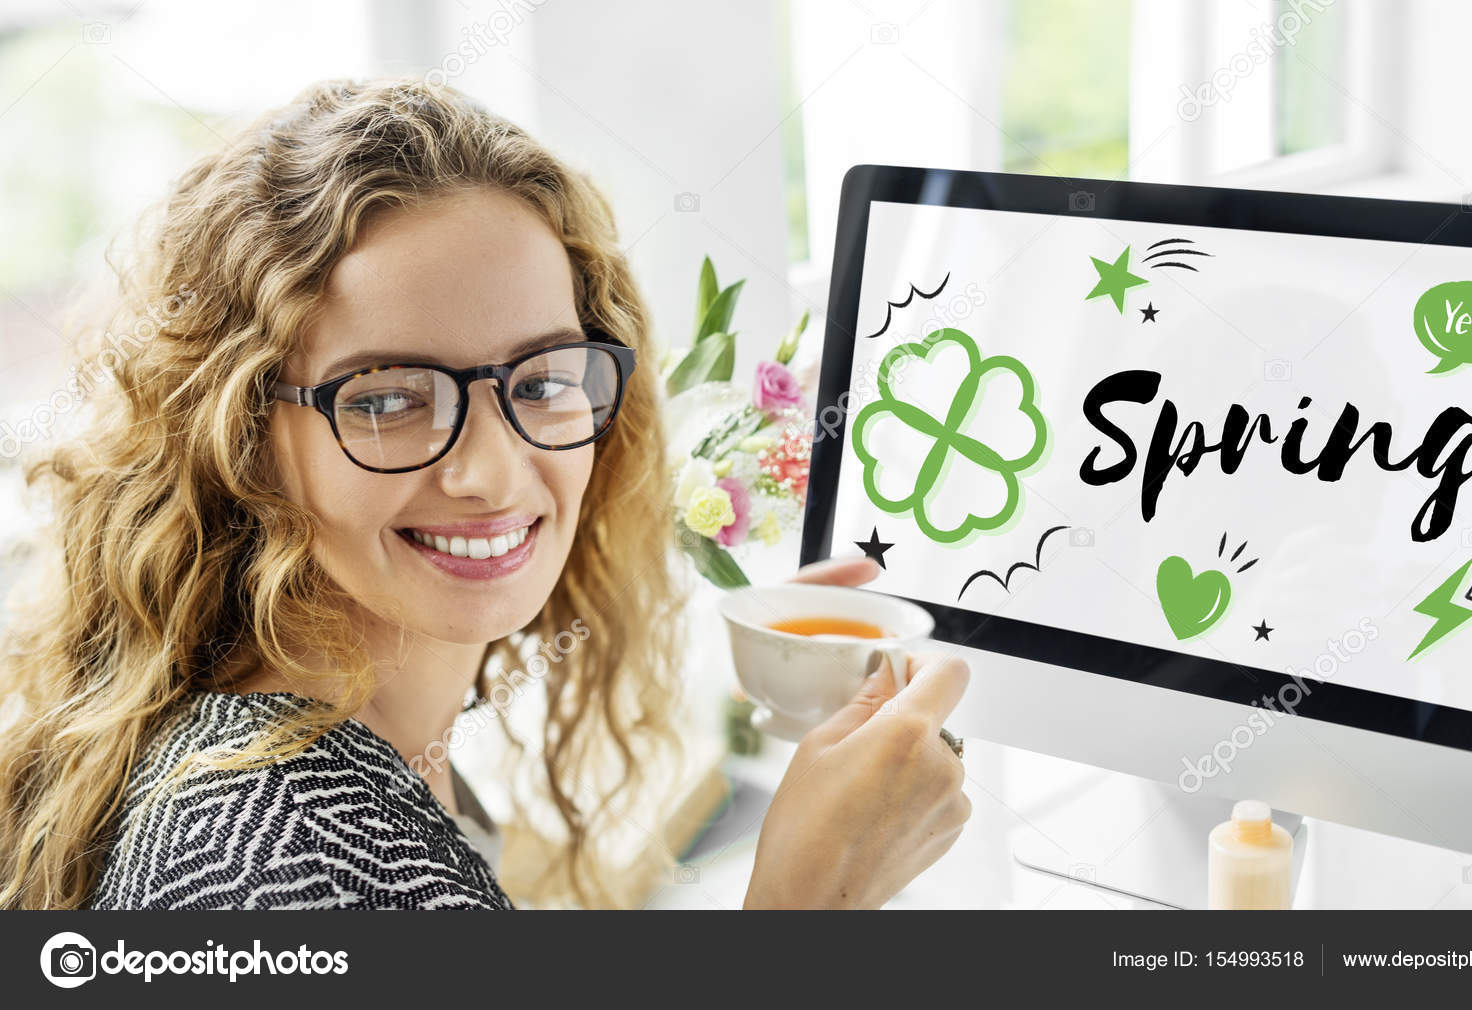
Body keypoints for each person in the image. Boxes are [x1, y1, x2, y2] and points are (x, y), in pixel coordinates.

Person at [0, 78, 969, 910]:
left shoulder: (341, 750)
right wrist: (805, 907)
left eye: (543, 379)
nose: (493, 472)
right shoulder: (294, 852)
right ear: (239, 432)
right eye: (387, 398)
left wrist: (779, 681)